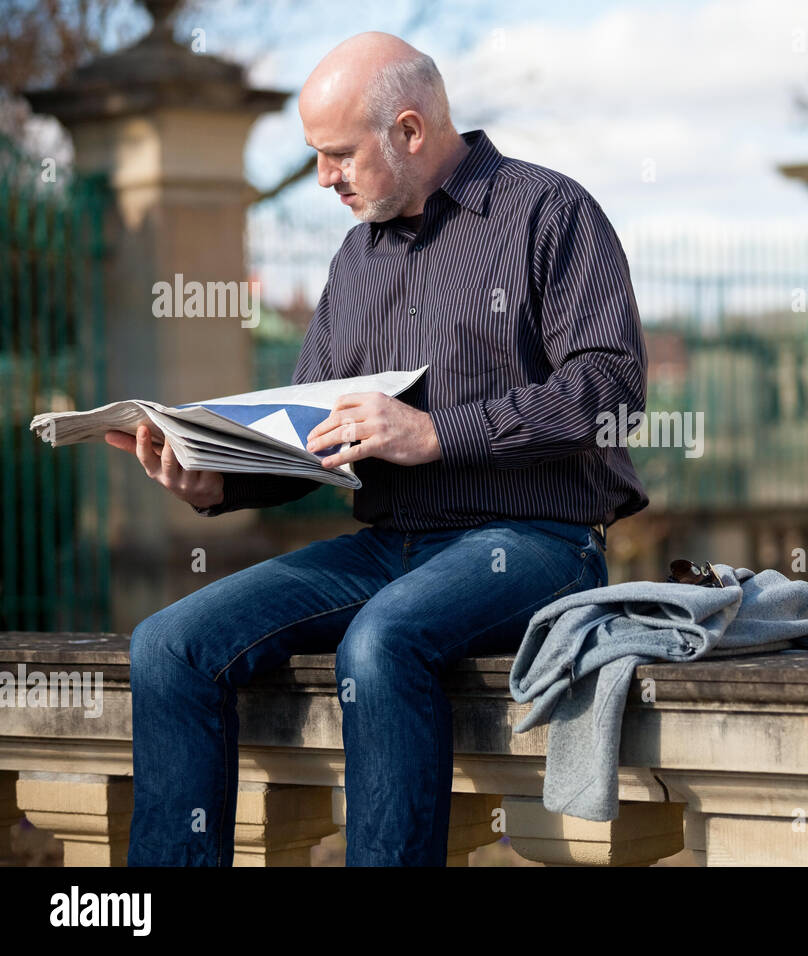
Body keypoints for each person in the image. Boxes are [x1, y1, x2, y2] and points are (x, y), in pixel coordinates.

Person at [112, 31, 648, 866]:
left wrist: (438, 433)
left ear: (408, 130)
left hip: (536, 542)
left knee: (381, 640)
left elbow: (611, 390)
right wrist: (215, 480)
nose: (323, 176)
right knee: (168, 646)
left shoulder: (551, 211)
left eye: (335, 155)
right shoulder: (355, 257)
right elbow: (313, 434)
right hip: (384, 547)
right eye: (316, 157)